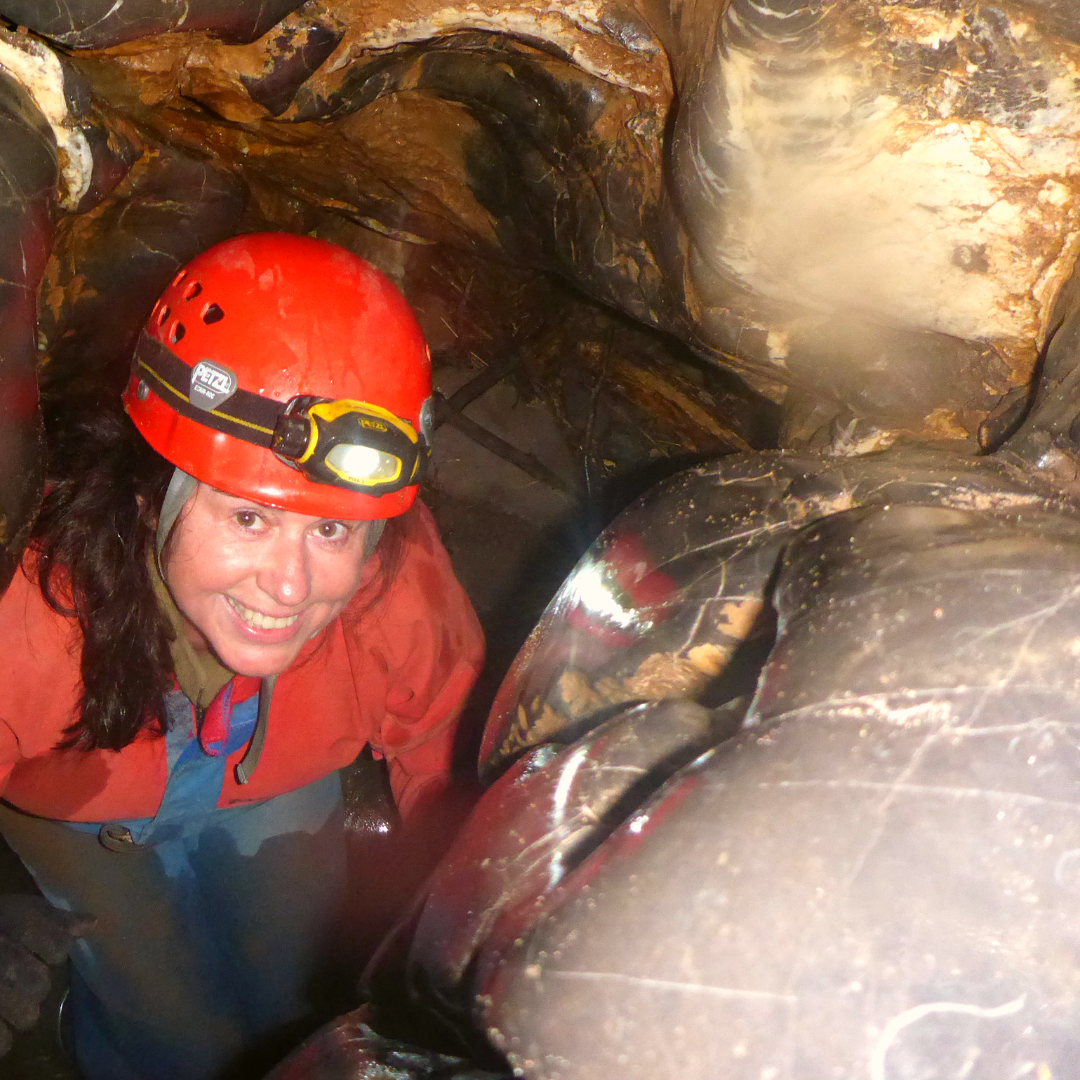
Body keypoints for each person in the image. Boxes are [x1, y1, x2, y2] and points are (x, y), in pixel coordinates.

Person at [0, 233, 485, 1079]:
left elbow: (451, 761)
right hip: (77, 800)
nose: (291, 587)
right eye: (249, 518)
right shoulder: (27, 604)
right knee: (173, 1040)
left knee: (301, 1009)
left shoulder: (391, 579)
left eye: (331, 528)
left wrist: (475, 923)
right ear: (156, 492)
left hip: (276, 778)